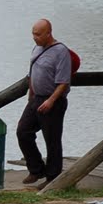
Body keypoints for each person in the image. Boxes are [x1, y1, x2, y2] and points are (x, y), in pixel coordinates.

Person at [17, 17, 72, 187]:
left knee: (52, 139)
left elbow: (63, 82)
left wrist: (51, 101)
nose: (35, 37)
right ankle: (36, 170)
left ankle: (52, 177)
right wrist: (30, 96)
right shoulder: (36, 48)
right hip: (35, 98)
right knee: (23, 131)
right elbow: (32, 74)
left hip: (53, 100)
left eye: (39, 34)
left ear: (49, 33)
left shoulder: (61, 52)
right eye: (33, 34)